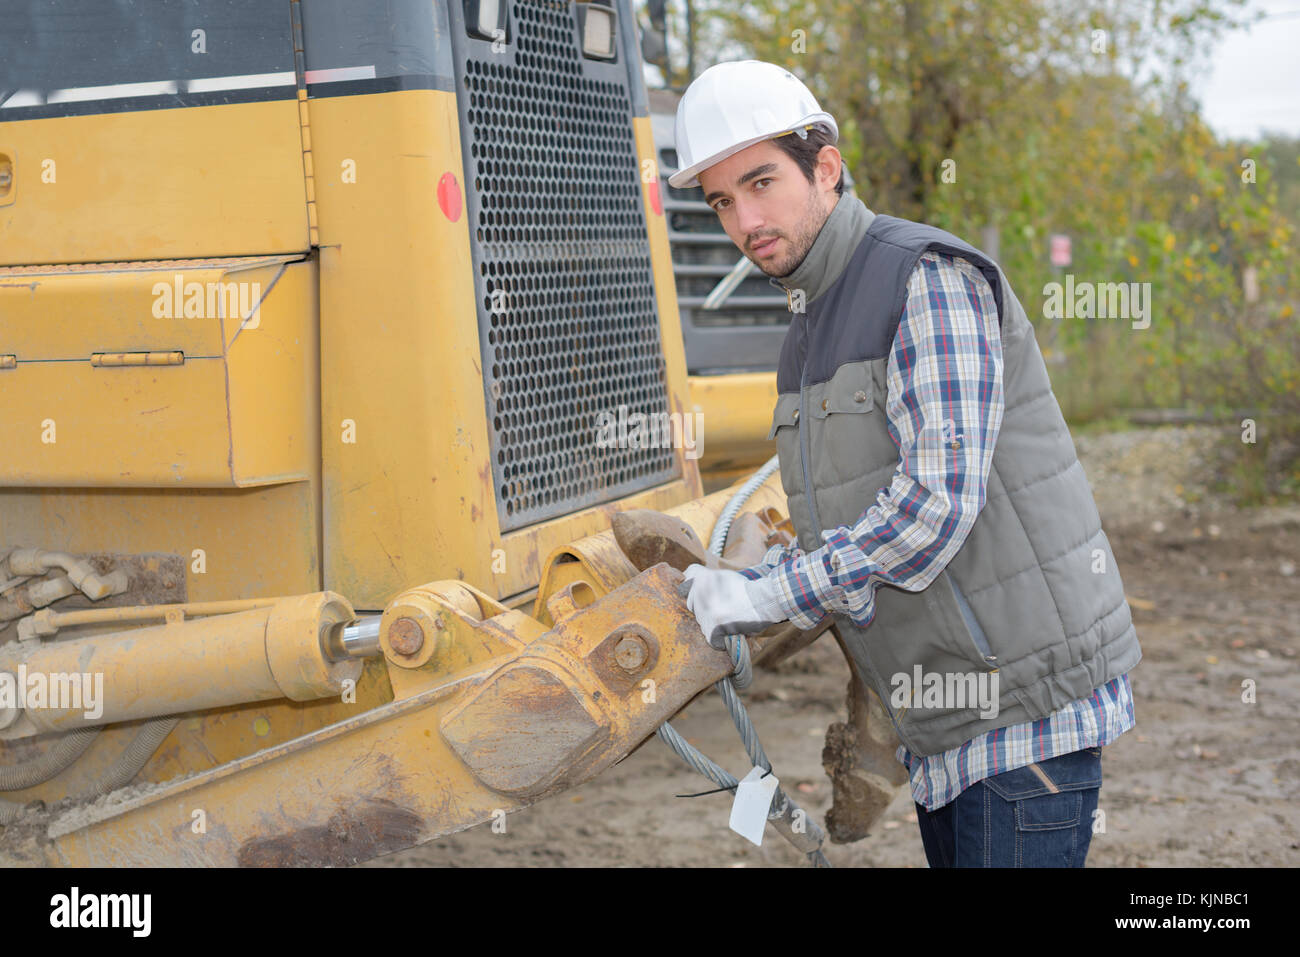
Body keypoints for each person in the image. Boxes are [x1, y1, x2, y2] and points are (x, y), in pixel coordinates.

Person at [670, 60, 1140, 867]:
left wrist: (766, 591)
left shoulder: (924, 278)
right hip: (946, 720)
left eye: (760, 183)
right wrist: (760, 571)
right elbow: (856, 517)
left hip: (1020, 713)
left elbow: (935, 506)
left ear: (826, 165)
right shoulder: (808, 331)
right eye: (722, 202)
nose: (745, 221)